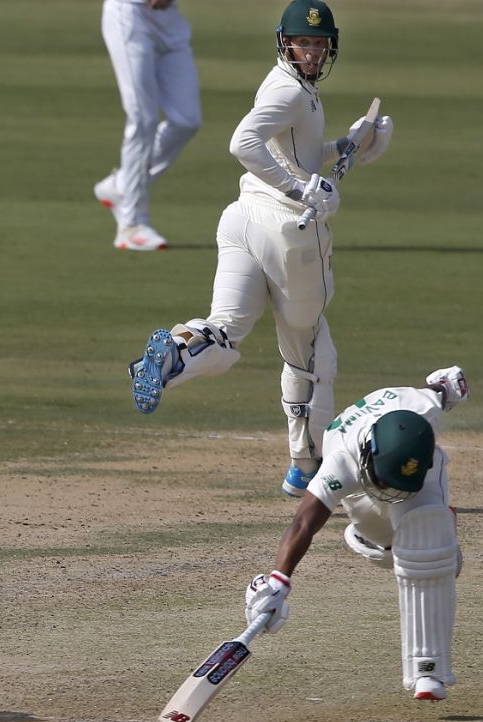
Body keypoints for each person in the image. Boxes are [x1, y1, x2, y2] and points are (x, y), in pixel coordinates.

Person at [127, 0, 395, 495]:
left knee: (225, 328)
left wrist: (347, 145)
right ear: (284, 42)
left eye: (319, 44)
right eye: (304, 43)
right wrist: (301, 191)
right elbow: (243, 143)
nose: (312, 52)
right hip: (288, 233)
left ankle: (172, 360)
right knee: (311, 356)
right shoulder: (291, 92)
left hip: (241, 220)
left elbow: (299, 157)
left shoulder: (294, 89)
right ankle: (307, 469)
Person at [244, 366, 469, 702]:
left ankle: (429, 674)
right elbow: (305, 521)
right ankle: (377, 541)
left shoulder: (425, 409)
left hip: (421, 467)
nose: (391, 493)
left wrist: (447, 385)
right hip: (361, 479)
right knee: (391, 547)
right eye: (387, 485)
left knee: (431, 552)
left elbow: (441, 388)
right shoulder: (342, 458)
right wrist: (279, 580)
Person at [94, 0, 202, 251]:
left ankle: (121, 186)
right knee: (143, 118)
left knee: (187, 120)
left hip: (169, 17)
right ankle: (131, 226)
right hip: (129, 13)